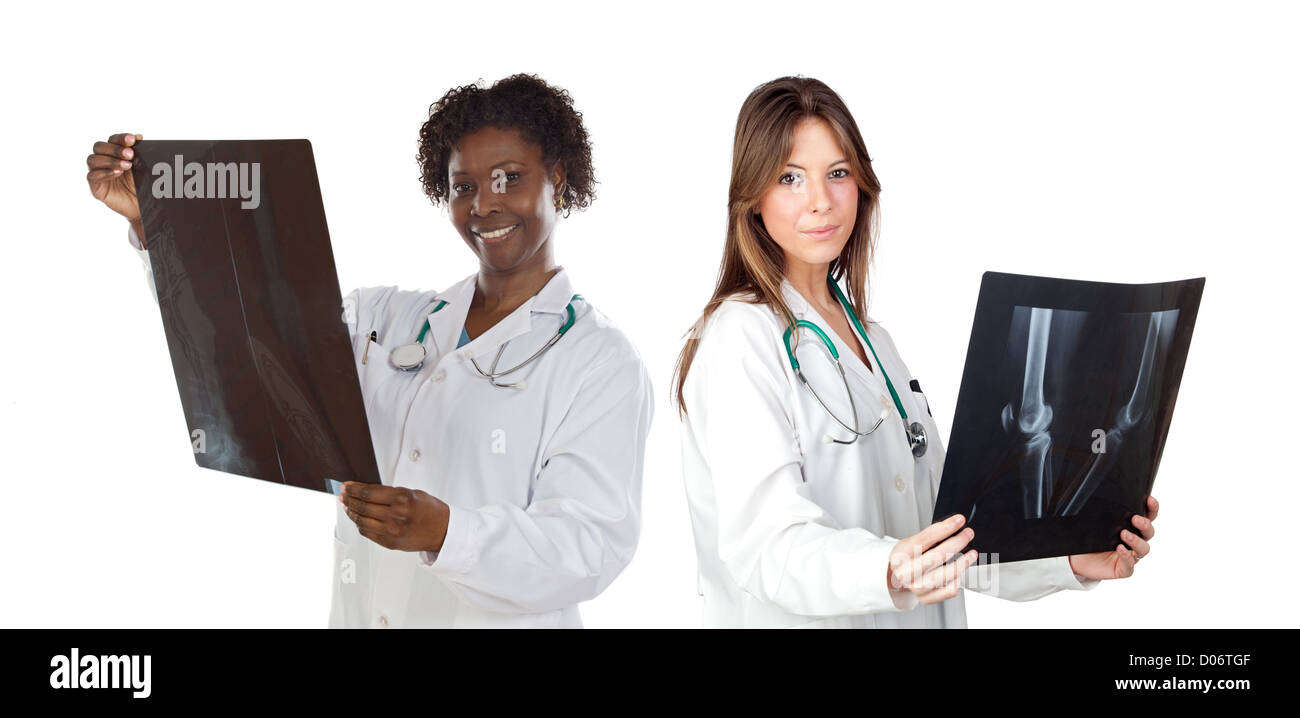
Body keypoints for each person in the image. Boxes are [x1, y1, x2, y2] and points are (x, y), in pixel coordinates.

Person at [86, 74, 654, 628]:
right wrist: (155, 219)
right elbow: (247, 350)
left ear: (557, 176)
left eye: (509, 177)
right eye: (463, 186)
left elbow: (588, 545)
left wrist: (447, 533)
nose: (484, 205)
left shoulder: (600, 361)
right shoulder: (386, 317)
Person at [671, 76, 1158, 628]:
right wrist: (889, 568)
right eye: (790, 178)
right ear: (753, 198)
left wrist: (1069, 562)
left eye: (838, 173)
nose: (820, 201)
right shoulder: (741, 336)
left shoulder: (875, 342)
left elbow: (951, 534)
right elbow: (766, 547)